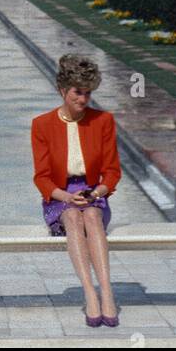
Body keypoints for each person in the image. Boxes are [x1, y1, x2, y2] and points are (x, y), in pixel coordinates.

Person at [31, 53, 121, 328]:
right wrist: (67, 196)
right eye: (77, 93)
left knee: (91, 216)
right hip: (60, 195)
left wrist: (96, 194)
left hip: (93, 192)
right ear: (62, 90)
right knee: (72, 217)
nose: (82, 100)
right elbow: (42, 178)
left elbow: (113, 172)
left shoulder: (103, 120)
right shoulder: (42, 124)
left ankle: (107, 293)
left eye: (87, 94)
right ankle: (89, 294)